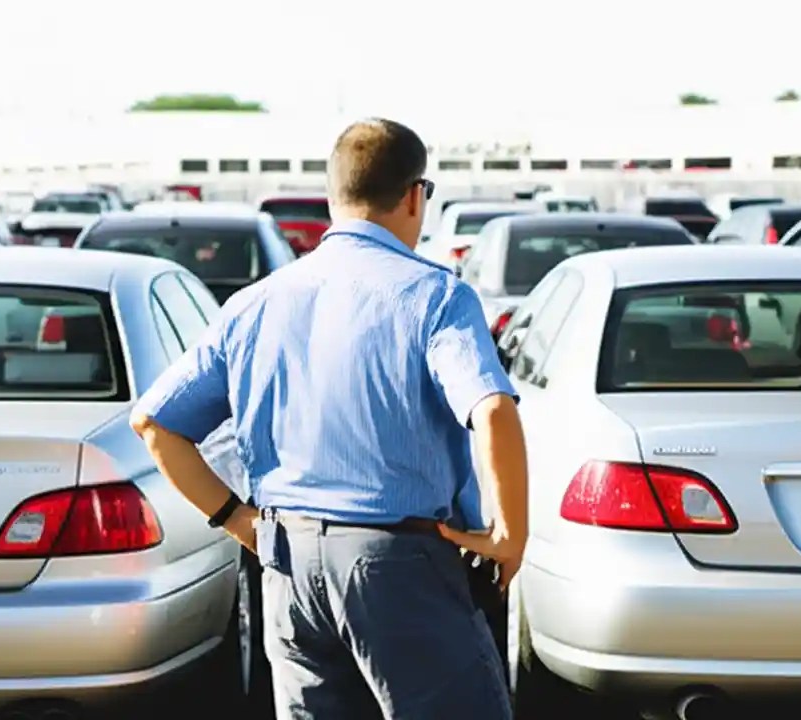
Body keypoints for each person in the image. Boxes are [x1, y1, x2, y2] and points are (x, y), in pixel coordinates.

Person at [130, 117, 529, 720]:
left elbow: (155, 423)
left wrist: (239, 521)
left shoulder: (255, 304)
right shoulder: (435, 295)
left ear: (333, 197)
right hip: (401, 568)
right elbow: (493, 410)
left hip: (289, 564)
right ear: (416, 195)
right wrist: (510, 536)